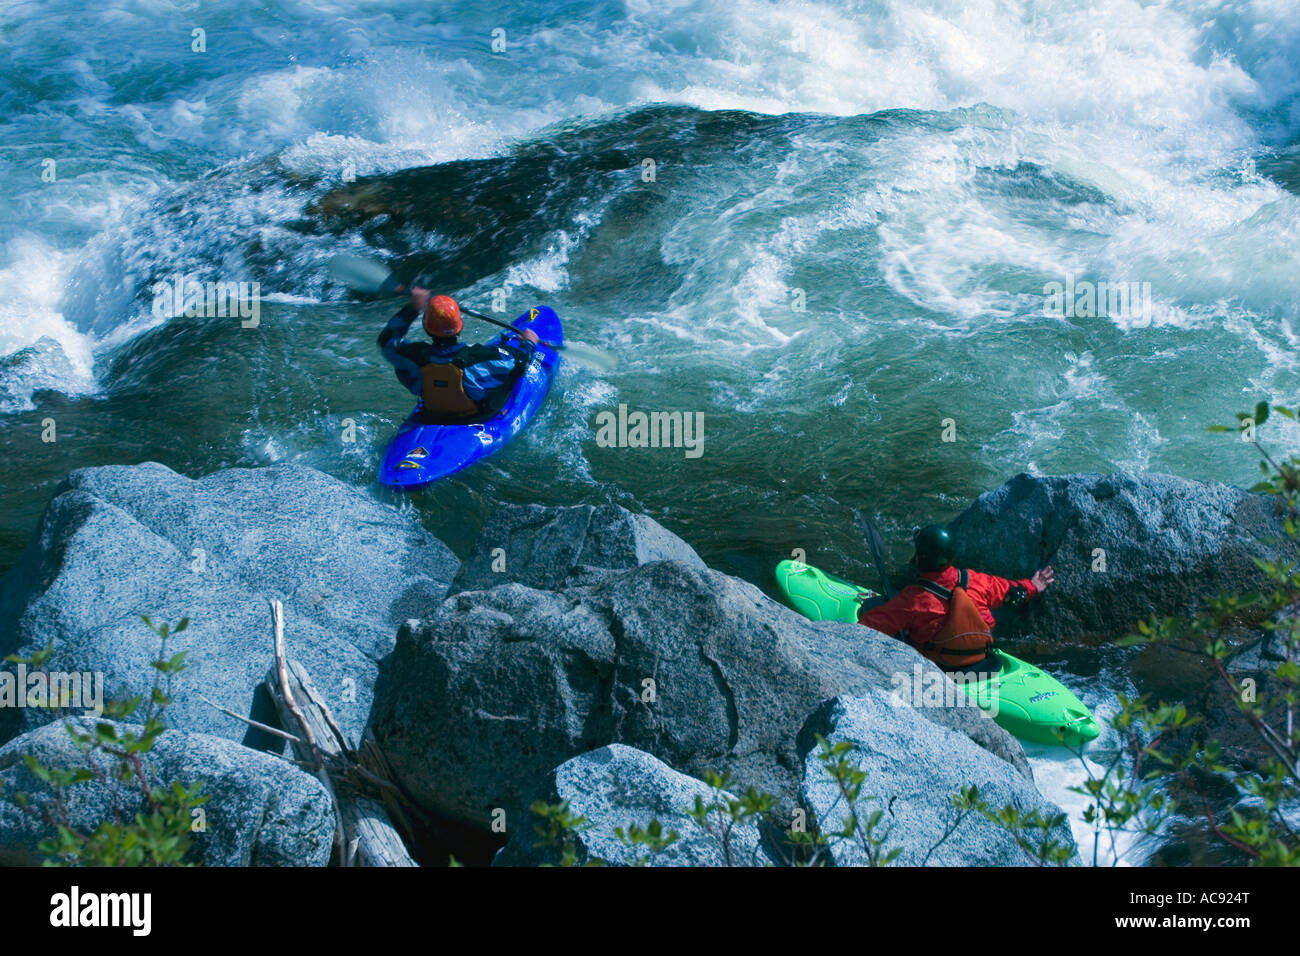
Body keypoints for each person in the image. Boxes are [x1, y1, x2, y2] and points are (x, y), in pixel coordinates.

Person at [858, 525, 1054, 674]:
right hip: (983, 664)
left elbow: (865, 628)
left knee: (878, 614)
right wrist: (1033, 586)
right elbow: (1011, 591)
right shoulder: (977, 581)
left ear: (919, 559)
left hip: (943, 670)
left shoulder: (913, 600)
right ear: (951, 557)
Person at [378, 287, 539, 424]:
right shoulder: (480, 357)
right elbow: (520, 362)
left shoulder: (414, 356)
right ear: (459, 327)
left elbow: (386, 340)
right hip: (476, 418)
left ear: (426, 327)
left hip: (432, 417)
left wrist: (412, 308)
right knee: (509, 379)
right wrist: (528, 343)